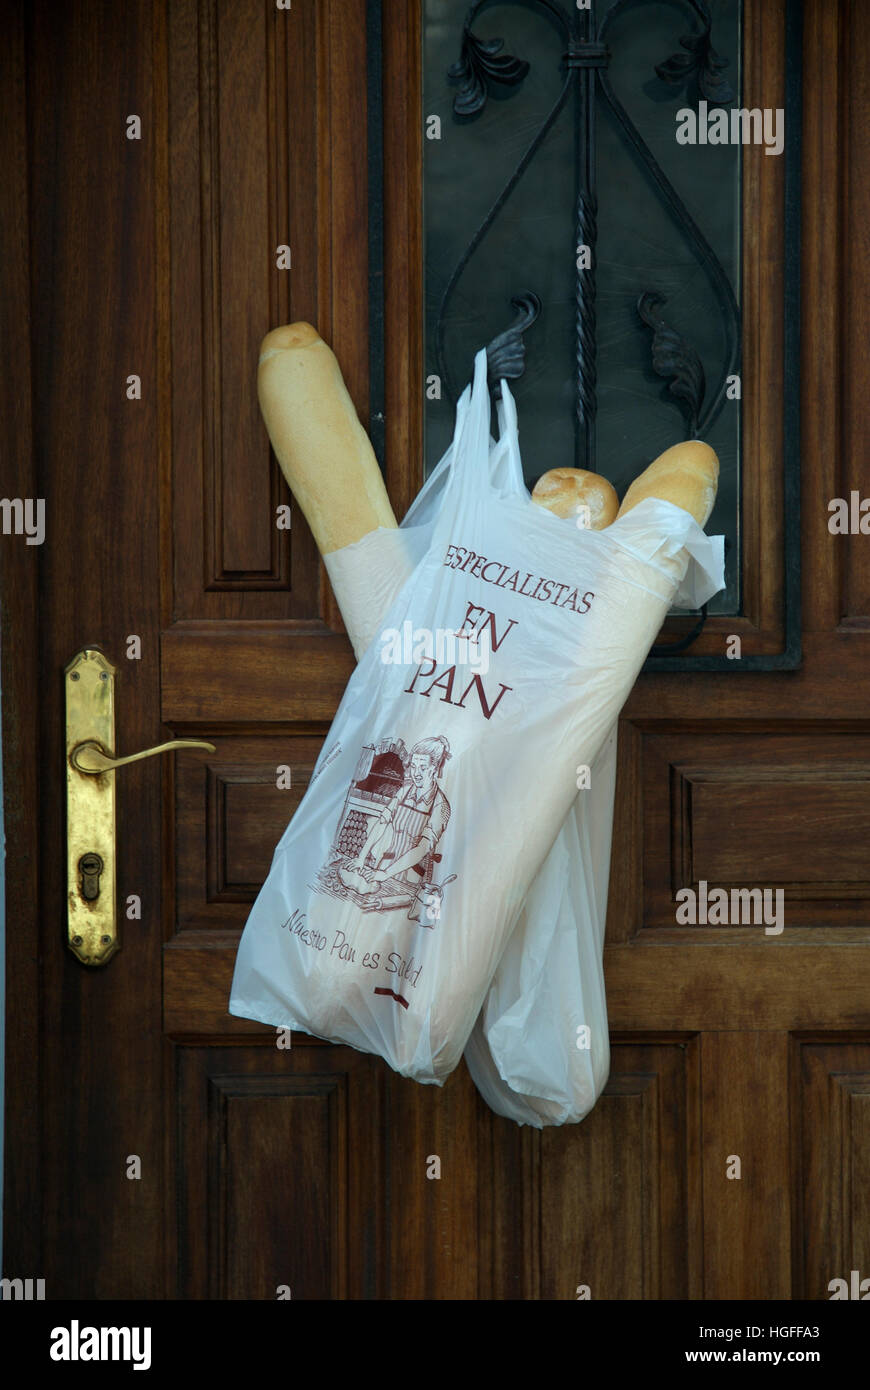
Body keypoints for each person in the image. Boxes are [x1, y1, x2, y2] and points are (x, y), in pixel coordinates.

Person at [351, 736, 451, 886]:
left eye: (423, 768)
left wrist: (385, 874)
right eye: (413, 766)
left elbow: (423, 847)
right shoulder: (403, 792)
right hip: (383, 867)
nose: (416, 773)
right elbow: (381, 823)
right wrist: (361, 859)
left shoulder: (440, 805)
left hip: (410, 879)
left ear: (434, 769)